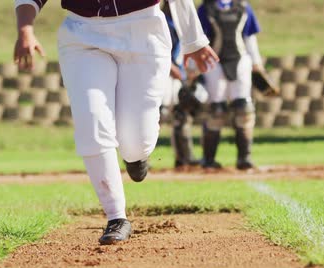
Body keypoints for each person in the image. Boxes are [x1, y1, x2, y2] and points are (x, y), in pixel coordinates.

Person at [13, 0, 219, 245]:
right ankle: (116, 217)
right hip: (83, 34)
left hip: (144, 31)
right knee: (92, 119)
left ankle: (136, 156)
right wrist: (25, 29)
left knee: (135, 144)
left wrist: (193, 41)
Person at [197, 0, 264, 170]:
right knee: (216, 111)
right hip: (214, 62)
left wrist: (256, 62)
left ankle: (244, 158)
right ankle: (209, 159)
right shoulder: (206, 8)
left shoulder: (243, 6)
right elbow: (196, 39)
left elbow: (249, 36)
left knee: (244, 108)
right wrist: (193, 68)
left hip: (240, 60)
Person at [160, 4, 205, 169]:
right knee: (158, 115)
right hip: (162, 73)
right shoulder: (161, 20)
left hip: (179, 73)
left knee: (182, 114)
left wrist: (190, 73)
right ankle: (141, 159)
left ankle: (184, 157)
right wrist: (174, 69)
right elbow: (156, 50)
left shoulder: (184, 24)